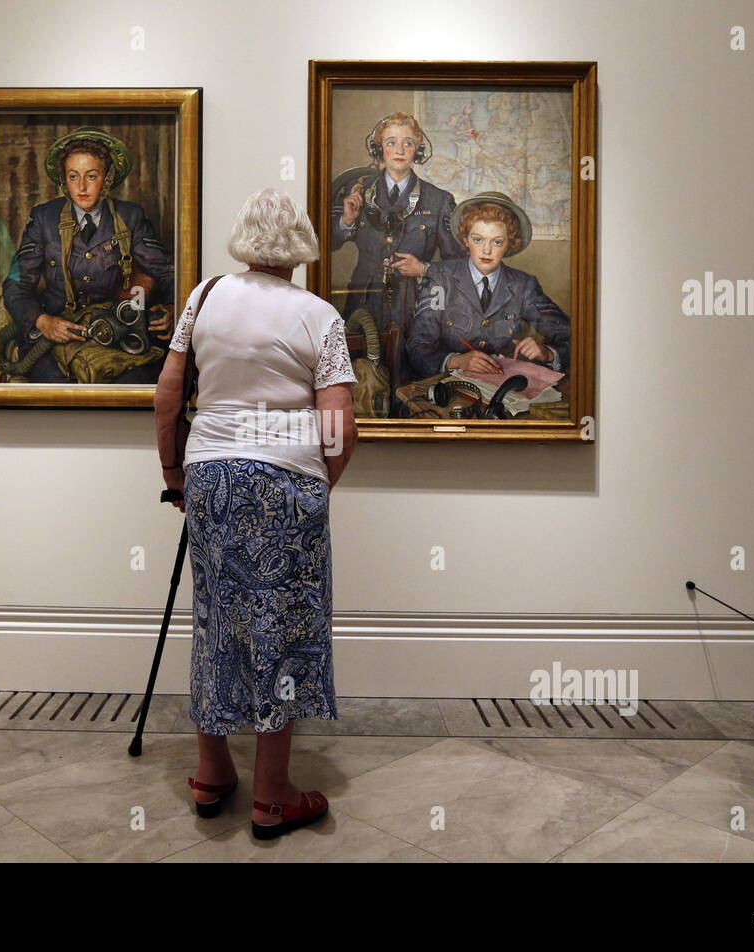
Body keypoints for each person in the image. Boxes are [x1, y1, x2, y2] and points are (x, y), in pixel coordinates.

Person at [153, 188, 358, 839]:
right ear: (300, 245)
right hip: (287, 483)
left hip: (211, 474)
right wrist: (318, 482)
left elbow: (166, 395)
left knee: (217, 619)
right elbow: (338, 426)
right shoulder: (319, 315)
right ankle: (272, 797)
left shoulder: (204, 297)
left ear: (244, 238)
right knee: (285, 630)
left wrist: (174, 474)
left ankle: (212, 774)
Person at [1, 127, 175, 384]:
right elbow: (16, 284)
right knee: (56, 392)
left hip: (116, 330)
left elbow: (167, 272)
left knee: (135, 385)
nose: (82, 187)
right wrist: (42, 320)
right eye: (73, 176)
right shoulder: (44, 218)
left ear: (106, 178)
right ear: (64, 179)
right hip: (55, 334)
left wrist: (173, 308)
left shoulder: (130, 217)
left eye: (91, 176)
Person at [329, 111, 464, 396]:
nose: (399, 150)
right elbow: (325, 245)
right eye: (391, 143)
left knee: (405, 384)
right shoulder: (358, 192)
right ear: (379, 149)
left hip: (413, 307)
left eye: (408, 143)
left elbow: (458, 266)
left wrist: (424, 269)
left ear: (418, 150)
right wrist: (347, 221)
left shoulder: (440, 200)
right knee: (359, 383)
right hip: (361, 304)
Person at [406, 191, 570, 382]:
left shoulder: (523, 286)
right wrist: (456, 360)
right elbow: (418, 348)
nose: (487, 250)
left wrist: (549, 353)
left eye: (497, 242)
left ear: (509, 244)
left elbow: (573, 335)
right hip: (447, 385)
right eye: (478, 239)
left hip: (503, 389)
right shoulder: (439, 277)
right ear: (465, 239)